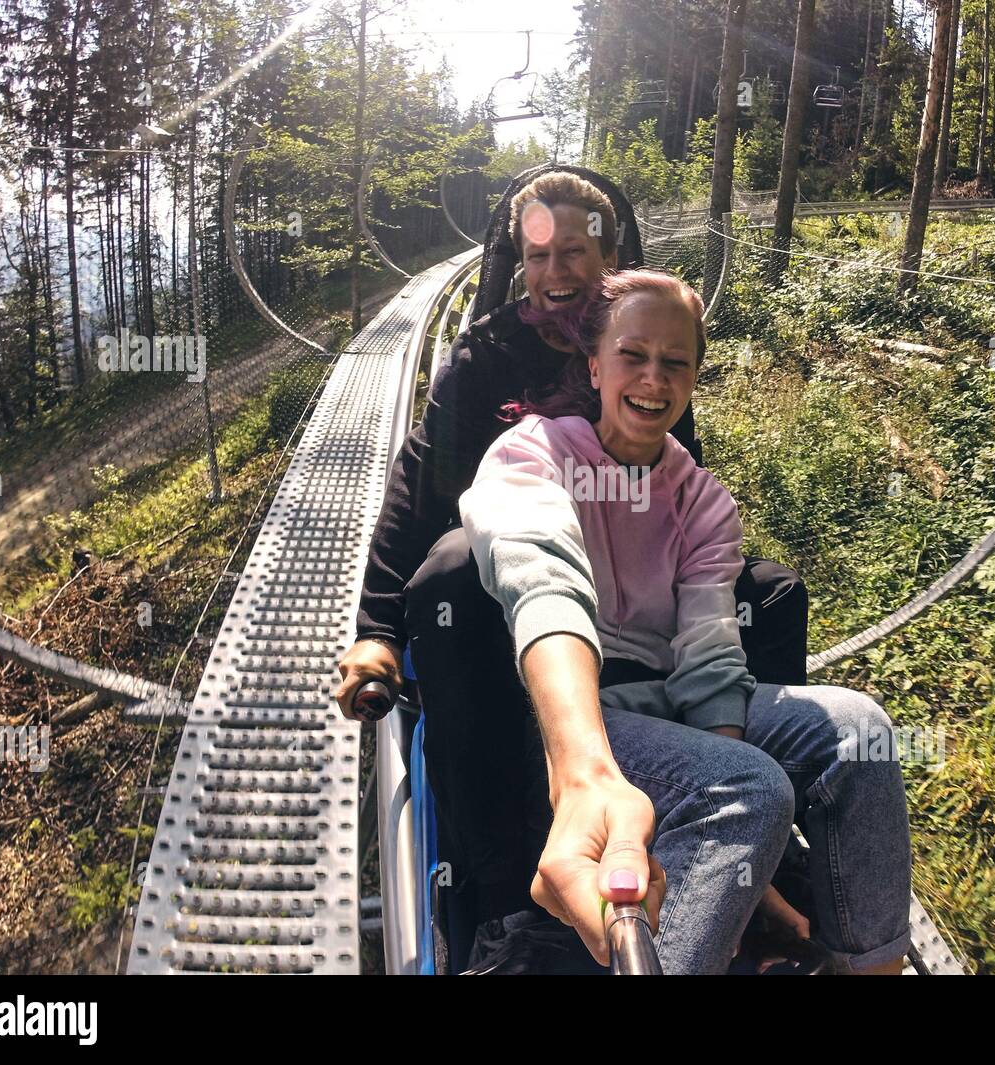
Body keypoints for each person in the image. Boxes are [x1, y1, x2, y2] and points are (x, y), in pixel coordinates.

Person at [334, 170, 808, 932]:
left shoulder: (641, 347)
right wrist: (376, 627)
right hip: (509, 581)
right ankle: (494, 888)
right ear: (520, 263)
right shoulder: (483, 361)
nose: (558, 273)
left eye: (577, 252)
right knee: (452, 567)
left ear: (609, 258)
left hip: (631, 587)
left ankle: (758, 840)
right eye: (539, 255)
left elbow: (676, 482)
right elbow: (416, 487)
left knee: (774, 592)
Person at [456, 269, 914, 974]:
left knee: (859, 731)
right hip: (581, 714)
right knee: (748, 786)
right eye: (633, 356)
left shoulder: (700, 499)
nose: (653, 378)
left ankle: (867, 961)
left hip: (668, 704)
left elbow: (708, 652)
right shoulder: (536, 452)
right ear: (595, 366)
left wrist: (745, 860)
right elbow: (541, 573)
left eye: (676, 363)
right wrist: (584, 764)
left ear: (695, 377)